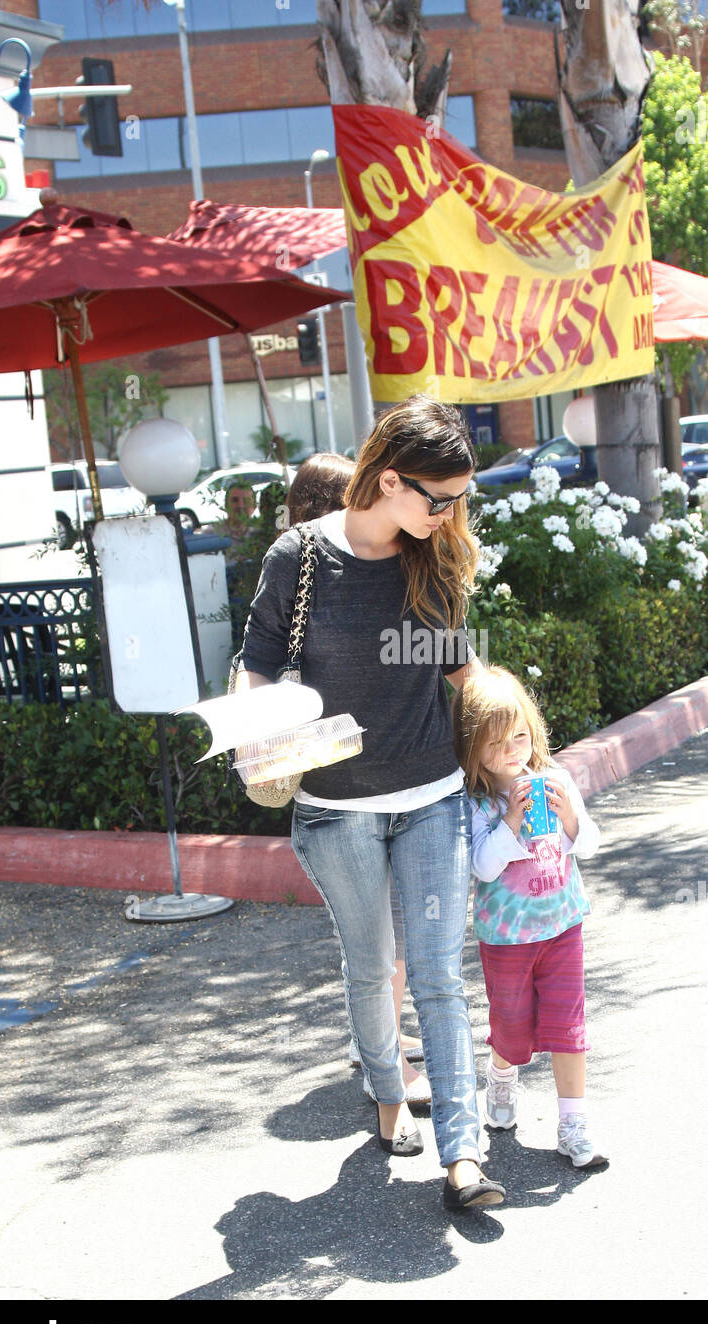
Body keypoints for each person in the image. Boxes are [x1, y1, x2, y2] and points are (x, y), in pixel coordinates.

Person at [237, 396, 505, 1211]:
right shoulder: (299, 557)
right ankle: (390, 1096)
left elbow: (456, 665)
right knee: (369, 966)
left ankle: (463, 1154)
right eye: (440, 497)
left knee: (437, 978)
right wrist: (256, 724)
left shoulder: (436, 555)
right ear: (389, 480)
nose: (452, 512)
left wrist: (516, 742)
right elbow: (257, 662)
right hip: (336, 805)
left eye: (459, 497)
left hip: (429, 794)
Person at [285, 452, 429, 1103]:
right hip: (352, 777)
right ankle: (383, 1057)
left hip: (355, 772)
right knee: (381, 934)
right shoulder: (321, 575)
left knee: (378, 932)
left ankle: (380, 1041)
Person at [452, 665, 607, 1169]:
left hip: (562, 925)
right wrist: (512, 824)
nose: (513, 751)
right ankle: (500, 1075)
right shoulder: (477, 803)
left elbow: (588, 843)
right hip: (508, 938)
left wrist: (569, 819)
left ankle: (573, 1123)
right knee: (513, 1028)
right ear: (473, 748)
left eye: (520, 736)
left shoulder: (554, 780)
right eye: (497, 744)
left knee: (568, 1024)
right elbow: (482, 865)